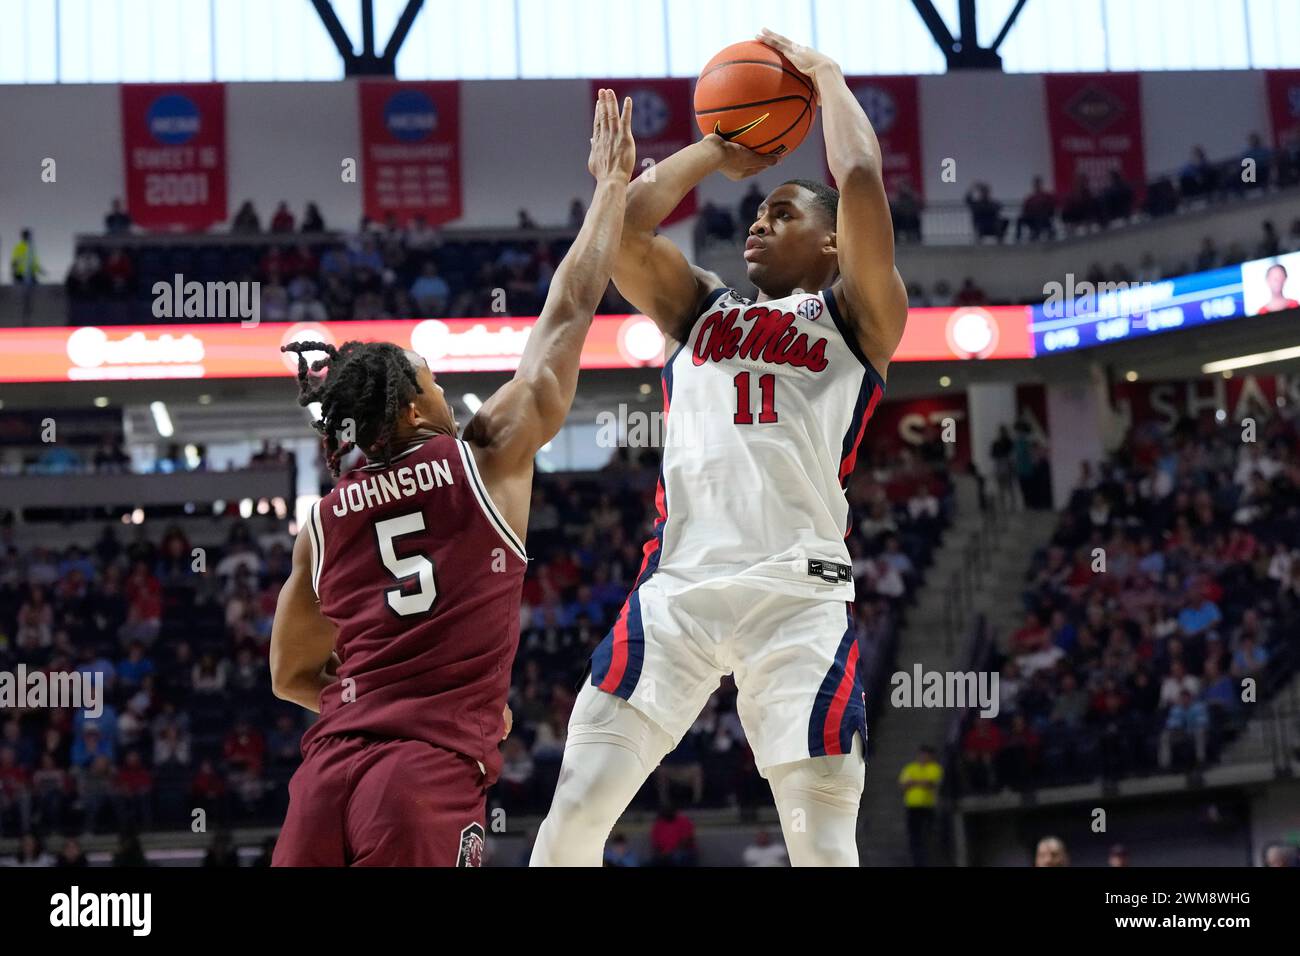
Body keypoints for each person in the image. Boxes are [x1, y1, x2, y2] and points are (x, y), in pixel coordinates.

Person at [530, 29, 906, 869]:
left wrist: (827, 78)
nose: (758, 223)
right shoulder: (700, 307)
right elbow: (619, 232)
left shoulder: (858, 320)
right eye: (757, 212)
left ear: (834, 243)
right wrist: (715, 146)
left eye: (783, 213)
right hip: (680, 591)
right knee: (571, 824)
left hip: (798, 599)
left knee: (825, 851)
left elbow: (860, 179)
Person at [270, 90, 636, 867]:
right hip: (420, 778)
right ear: (408, 410)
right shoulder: (486, 453)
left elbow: (290, 673)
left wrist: (372, 701)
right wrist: (610, 186)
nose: (446, 390)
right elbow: (566, 315)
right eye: (432, 380)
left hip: (324, 777)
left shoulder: (322, 523)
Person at [898, 745, 942, 866]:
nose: (923, 757)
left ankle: (931, 860)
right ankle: (917, 862)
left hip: (928, 807)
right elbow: (903, 785)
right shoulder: (910, 768)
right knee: (914, 837)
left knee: (928, 835)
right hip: (912, 807)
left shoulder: (935, 768)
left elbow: (930, 783)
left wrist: (913, 782)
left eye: (925, 755)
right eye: (921, 754)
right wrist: (920, 782)